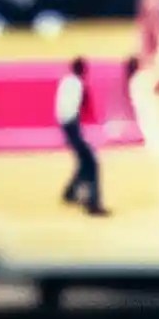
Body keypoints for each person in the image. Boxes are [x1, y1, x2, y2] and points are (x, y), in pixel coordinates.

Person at [57, 57, 107, 216]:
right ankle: (93, 203)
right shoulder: (79, 84)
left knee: (84, 161)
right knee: (91, 164)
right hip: (72, 126)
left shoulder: (66, 82)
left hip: (65, 125)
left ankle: (70, 193)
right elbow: (83, 108)